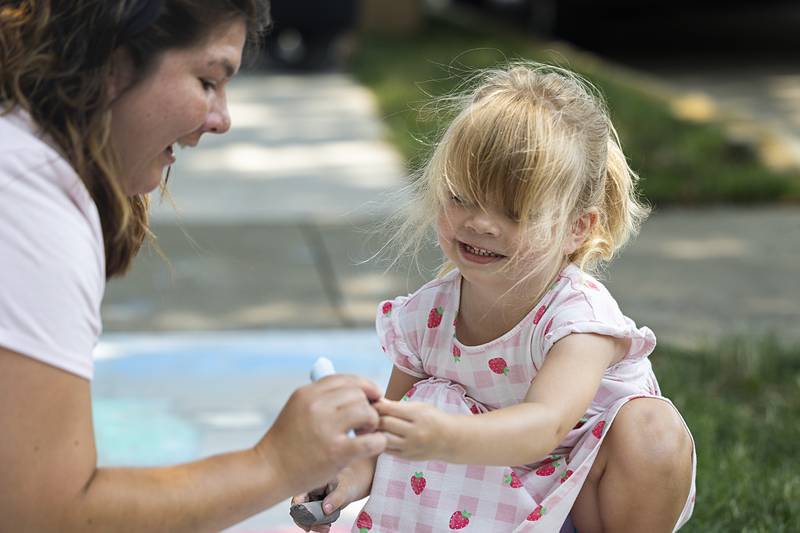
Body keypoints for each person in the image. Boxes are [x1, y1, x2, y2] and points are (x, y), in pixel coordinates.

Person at [0, 1, 386, 531]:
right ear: (113, 64)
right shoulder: (30, 204)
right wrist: (275, 464)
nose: (221, 119)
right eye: (208, 80)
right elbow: (46, 512)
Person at [297, 64, 696, 532]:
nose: (481, 224)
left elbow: (544, 426)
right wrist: (351, 473)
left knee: (651, 429)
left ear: (577, 228)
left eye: (513, 212)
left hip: (578, 502)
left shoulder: (579, 318)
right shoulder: (430, 315)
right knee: (428, 400)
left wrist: (443, 435)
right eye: (462, 197)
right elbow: (393, 434)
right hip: (479, 504)